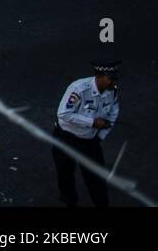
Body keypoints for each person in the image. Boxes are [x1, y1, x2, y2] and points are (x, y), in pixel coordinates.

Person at [51, 61, 120, 207]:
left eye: (115, 78)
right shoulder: (79, 89)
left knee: (96, 178)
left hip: (90, 142)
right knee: (65, 174)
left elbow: (113, 112)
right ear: (99, 76)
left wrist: (100, 136)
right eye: (110, 78)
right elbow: (63, 113)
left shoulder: (112, 90)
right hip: (66, 138)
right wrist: (92, 122)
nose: (113, 82)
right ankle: (69, 202)